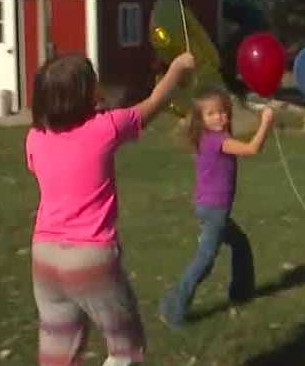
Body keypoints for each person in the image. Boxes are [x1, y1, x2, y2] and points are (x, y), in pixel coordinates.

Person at [25, 52, 194, 365]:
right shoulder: (106, 127)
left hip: (44, 256)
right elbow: (154, 104)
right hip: (91, 258)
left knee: (57, 353)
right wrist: (177, 68)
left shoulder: (35, 137)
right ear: (85, 96)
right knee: (125, 350)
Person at [159, 87, 275, 328]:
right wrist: (265, 122)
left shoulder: (206, 137)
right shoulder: (217, 141)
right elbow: (252, 149)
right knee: (205, 260)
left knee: (240, 244)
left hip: (207, 207)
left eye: (222, 111)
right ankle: (173, 308)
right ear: (201, 119)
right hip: (215, 211)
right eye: (212, 114)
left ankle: (241, 293)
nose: (219, 117)